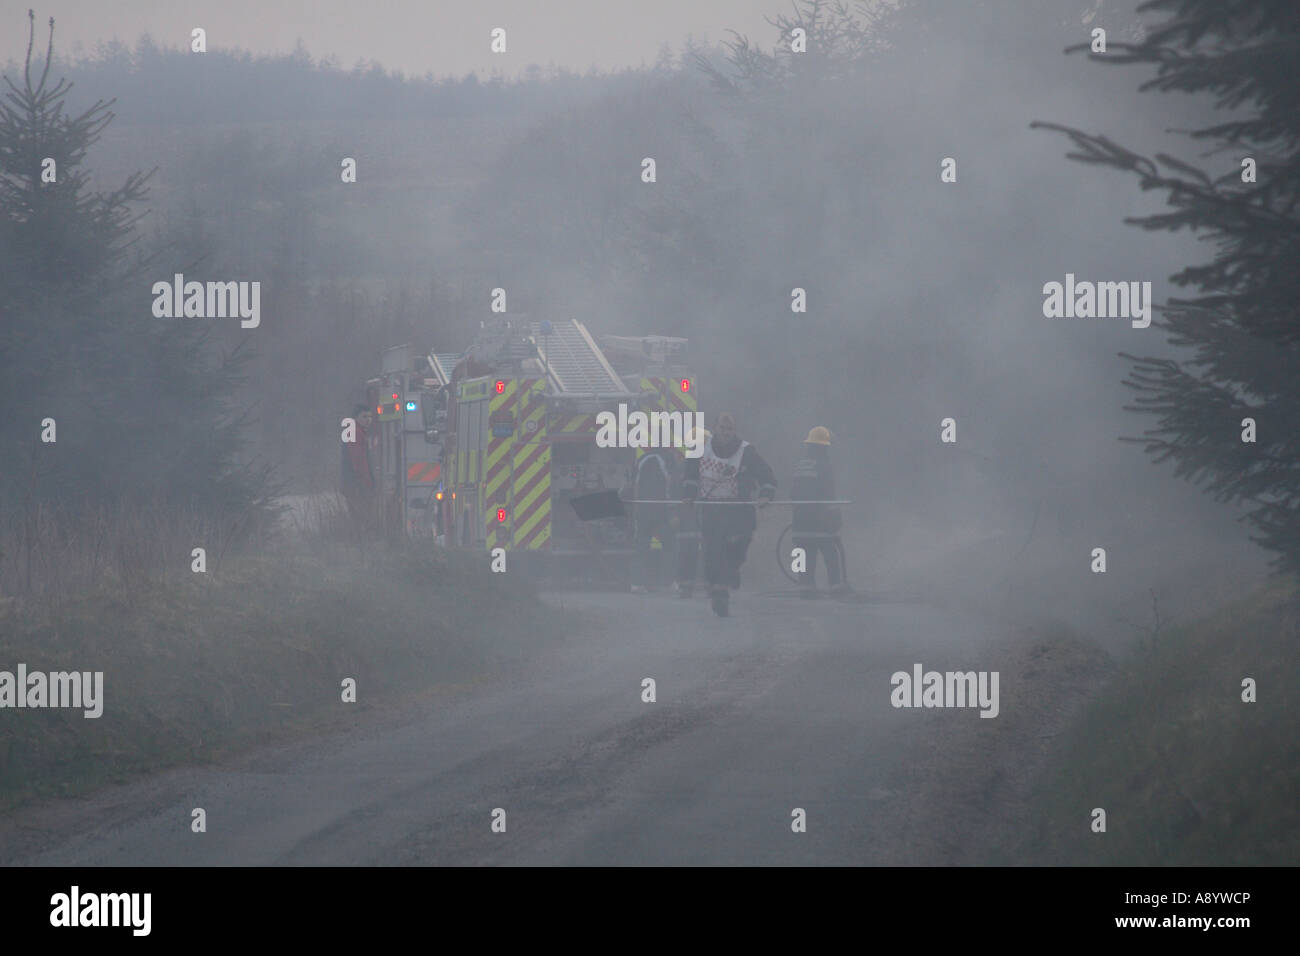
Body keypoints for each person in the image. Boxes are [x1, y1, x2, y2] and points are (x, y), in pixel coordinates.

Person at [682, 413, 776, 617]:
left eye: (730, 429)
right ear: (715, 428)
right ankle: (719, 592)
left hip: (739, 509)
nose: (726, 432)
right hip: (712, 508)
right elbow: (689, 474)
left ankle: (730, 574)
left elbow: (766, 474)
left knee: (739, 546)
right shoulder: (699, 449)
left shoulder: (747, 451)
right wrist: (689, 495)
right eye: (722, 428)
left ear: (734, 431)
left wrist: (766, 495)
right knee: (714, 551)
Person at [791, 426, 845, 598]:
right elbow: (829, 494)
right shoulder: (824, 466)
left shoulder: (799, 465)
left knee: (803, 554)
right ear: (824, 447)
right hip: (820, 522)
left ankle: (805, 588)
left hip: (800, 521)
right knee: (830, 552)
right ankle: (836, 587)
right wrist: (836, 518)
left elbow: (793, 492)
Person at [630, 448, 677, 593]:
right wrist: (672, 509)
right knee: (669, 545)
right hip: (661, 511)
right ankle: (668, 582)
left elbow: (636, 485)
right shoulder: (667, 459)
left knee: (641, 546)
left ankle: (637, 584)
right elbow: (670, 483)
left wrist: (637, 507)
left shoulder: (642, 459)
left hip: (644, 509)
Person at [675, 427, 708, 598]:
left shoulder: (685, 464)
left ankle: (686, 586)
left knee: (688, 551)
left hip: (687, 515)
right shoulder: (702, 464)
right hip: (697, 514)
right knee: (702, 549)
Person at [341, 403, 375, 522]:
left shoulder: (355, 431)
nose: (368, 420)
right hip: (357, 483)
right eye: (364, 417)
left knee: (357, 515)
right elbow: (359, 461)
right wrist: (367, 482)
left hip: (353, 482)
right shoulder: (355, 432)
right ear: (356, 417)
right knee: (361, 516)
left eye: (370, 417)